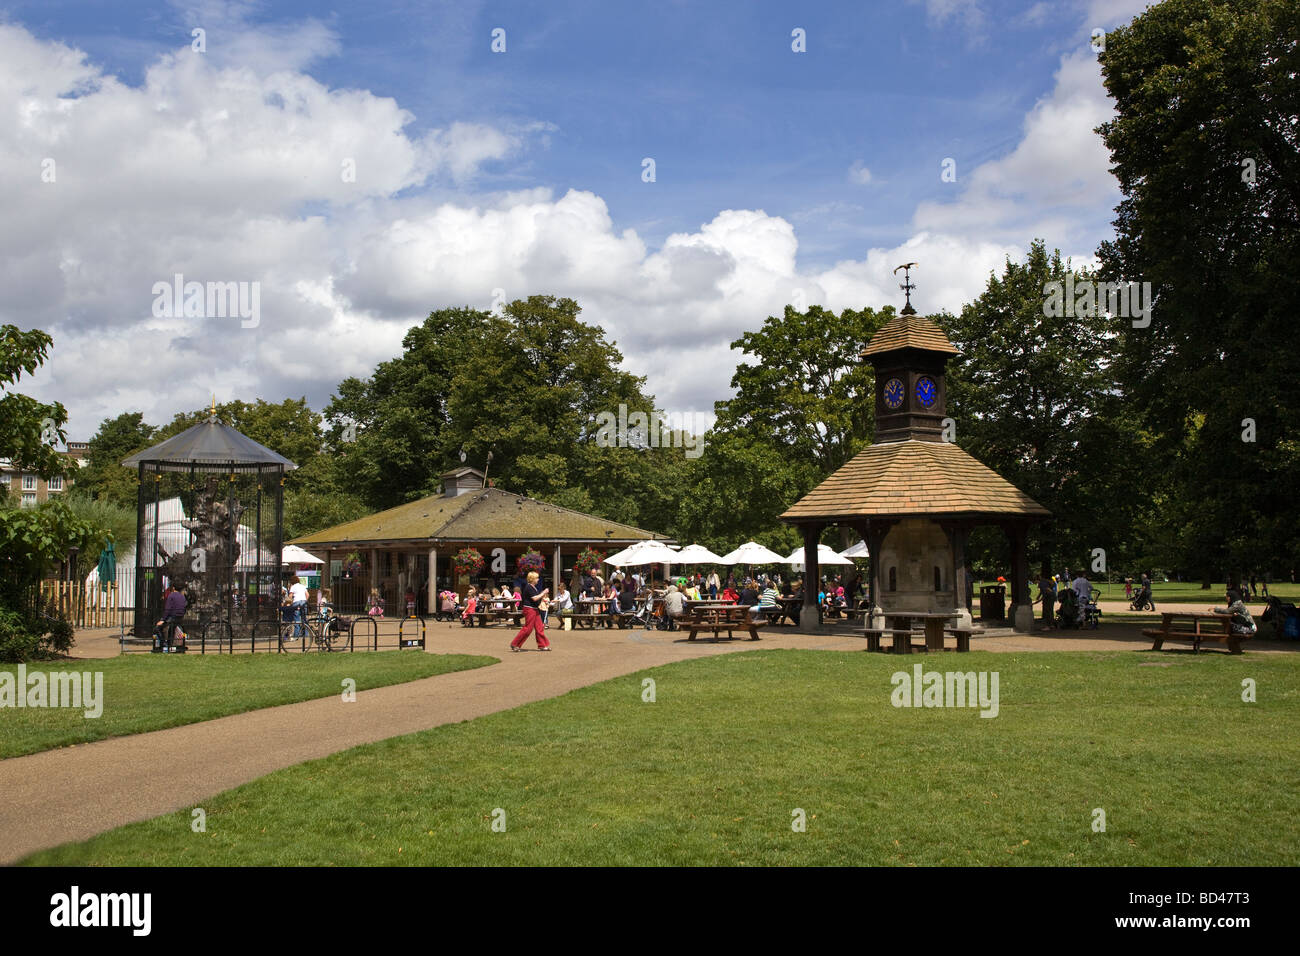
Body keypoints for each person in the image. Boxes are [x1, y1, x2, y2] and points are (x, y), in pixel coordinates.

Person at [510, 570, 551, 652]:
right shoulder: (529, 587)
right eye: (537, 578)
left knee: (539, 627)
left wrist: (543, 599)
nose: (538, 579)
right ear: (532, 579)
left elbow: (537, 598)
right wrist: (544, 593)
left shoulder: (533, 587)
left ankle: (542, 645)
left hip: (535, 609)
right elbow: (535, 598)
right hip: (529, 609)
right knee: (528, 628)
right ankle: (515, 644)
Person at [155, 584, 187, 651]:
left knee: (157, 628)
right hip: (180, 617)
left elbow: (168, 609)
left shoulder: (171, 595)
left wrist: (163, 619)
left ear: (173, 588)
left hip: (172, 616)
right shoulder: (182, 596)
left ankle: (164, 643)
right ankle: (169, 643)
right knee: (171, 630)